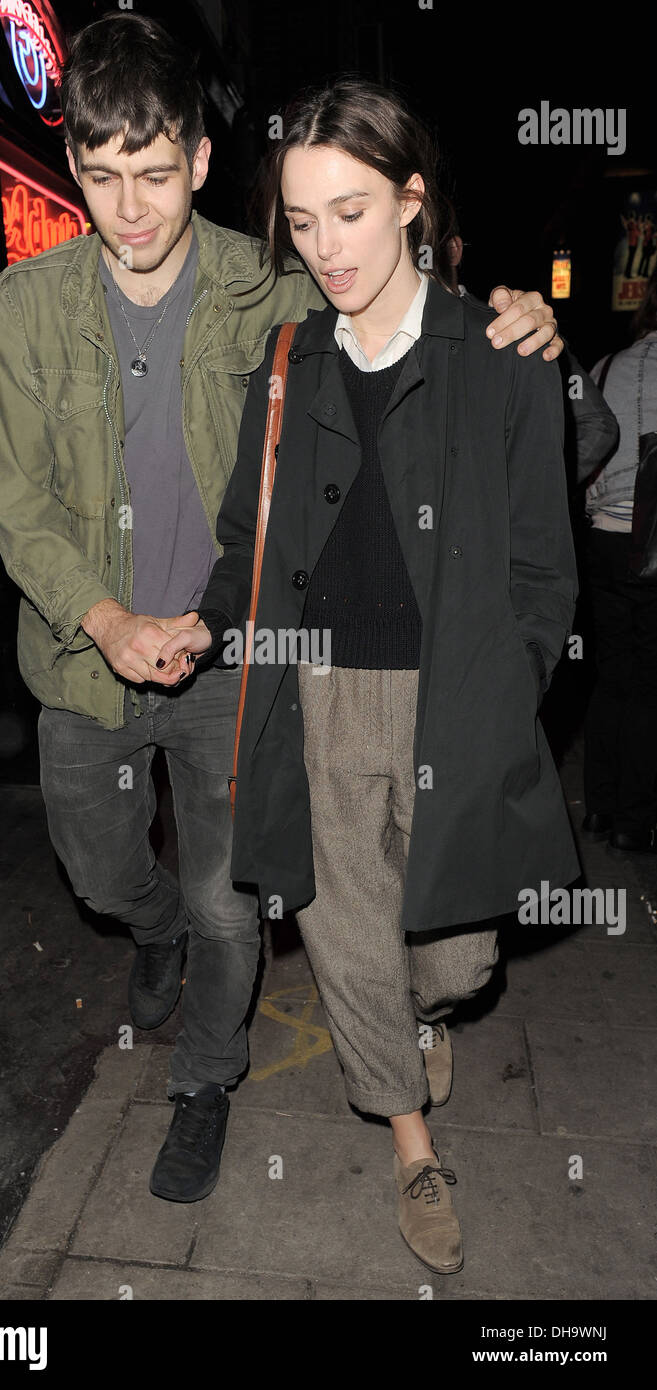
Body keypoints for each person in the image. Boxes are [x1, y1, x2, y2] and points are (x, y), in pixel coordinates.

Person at [0, 11, 569, 1212]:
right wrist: (106, 618)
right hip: (98, 658)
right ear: (76, 173)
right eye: (99, 178)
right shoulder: (25, 310)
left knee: (261, 906)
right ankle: (165, 953)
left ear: (198, 159)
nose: (129, 208)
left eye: (154, 174)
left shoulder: (271, 283)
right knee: (111, 878)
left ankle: (203, 1082)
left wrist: (528, 323)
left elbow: (409, 311)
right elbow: (16, 499)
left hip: (233, 658)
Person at [151, 76, 582, 1272]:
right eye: (299, 220)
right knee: (344, 935)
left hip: (453, 696)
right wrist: (202, 622)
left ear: (409, 202)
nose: (323, 247)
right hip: (319, 691)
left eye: (348, 211)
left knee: (454, 954)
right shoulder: (285, 363)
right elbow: (245, 536)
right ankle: (408, 1138)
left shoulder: (500, 357)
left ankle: (424, 1014)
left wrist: (508, 690)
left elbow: (546, 571)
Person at [581, 266, 657, 853]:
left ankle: (599, 808)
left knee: (611, 678)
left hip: (605, 539)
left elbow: (586, 445)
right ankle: (634, 816)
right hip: (652, 545)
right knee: (647, 686)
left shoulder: (604, 367)